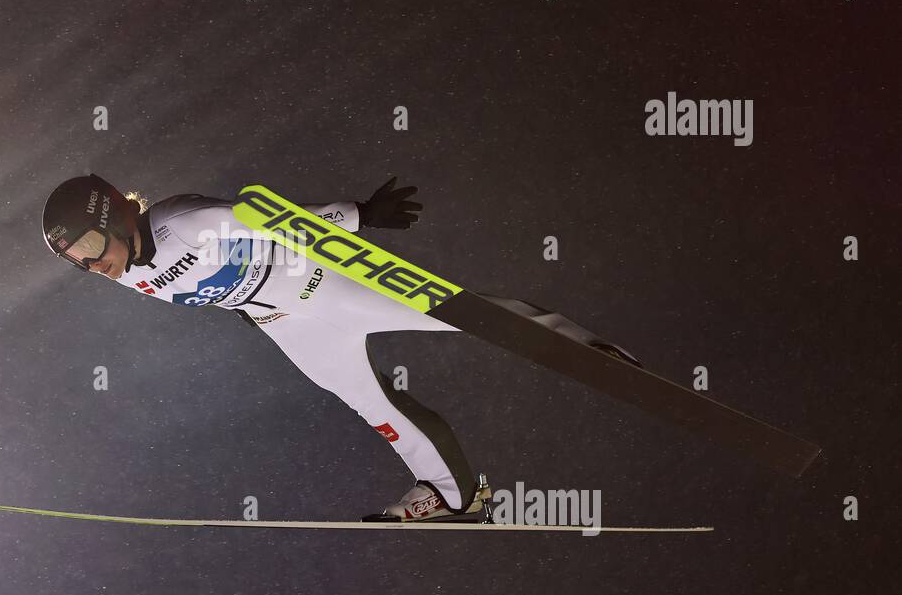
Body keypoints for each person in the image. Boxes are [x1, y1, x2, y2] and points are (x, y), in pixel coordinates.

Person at [42, 174, 637, 522]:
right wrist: (251, 308)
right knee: (377, 411)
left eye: (92, 245)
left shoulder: (190, 222)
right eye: (78, 263)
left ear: (116, 215)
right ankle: (455, 495)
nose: (94, 265)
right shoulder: (129, 273)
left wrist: (362, 214)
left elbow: (285, 223)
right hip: (288, 325)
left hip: (326, 287)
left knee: (459, 315)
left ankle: (580, 346)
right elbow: (213, 285)